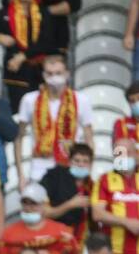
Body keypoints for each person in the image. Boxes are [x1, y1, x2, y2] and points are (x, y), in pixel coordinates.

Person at [15, 56, 93, 189]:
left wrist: (88, 172)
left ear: (67, 74)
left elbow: (89, 138)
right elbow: (19, 138)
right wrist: (20, 175)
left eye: (58, 73)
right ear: (43, 75)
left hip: (70, 165)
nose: (54, 77)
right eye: (49, 74)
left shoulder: (81, 100)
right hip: (40, 165)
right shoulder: (29, 100)